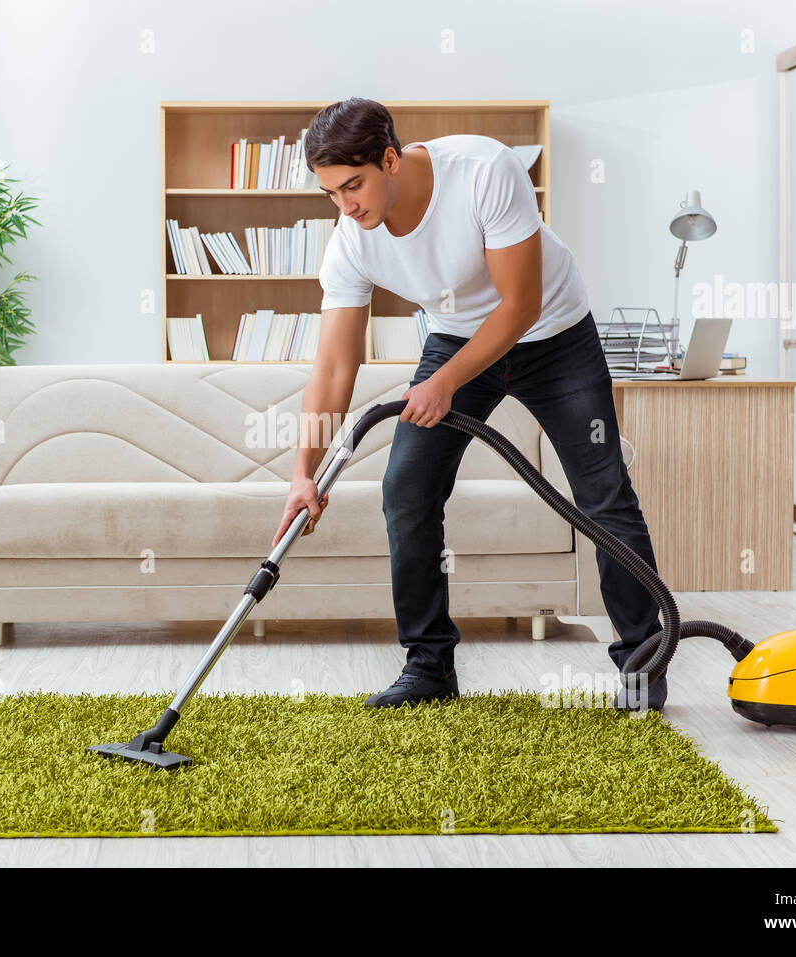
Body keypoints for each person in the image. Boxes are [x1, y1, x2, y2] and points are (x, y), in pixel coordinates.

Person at [273, 97, 667, 710]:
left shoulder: (485, 170)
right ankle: (428, 665)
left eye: (354, 186)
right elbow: (333, 365)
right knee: (407, 488)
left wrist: (445, 382)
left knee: (602, 492)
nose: (346, 206)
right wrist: (303, 474)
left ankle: (644, 661)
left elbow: (519, 305)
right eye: (331, 194)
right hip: (457, 340)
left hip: (554, 335)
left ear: (390, 159)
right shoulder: (351, 240)